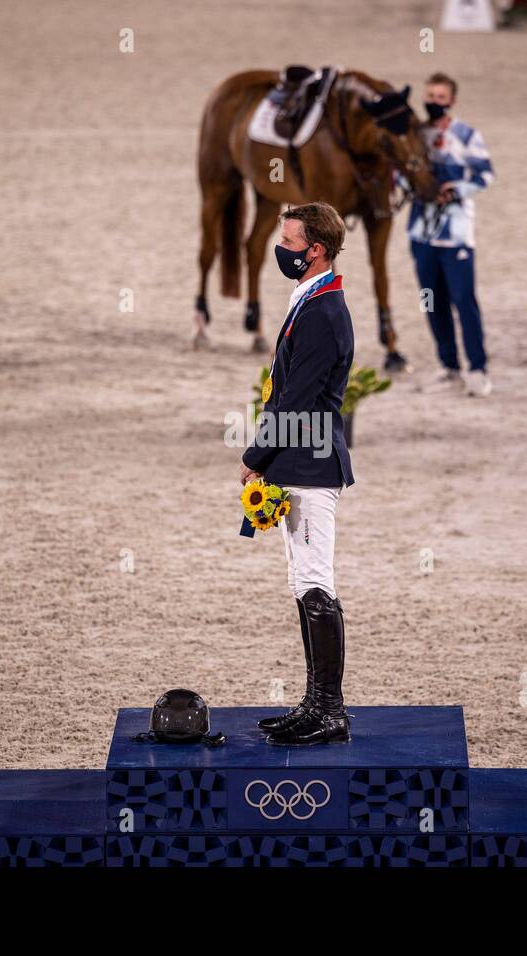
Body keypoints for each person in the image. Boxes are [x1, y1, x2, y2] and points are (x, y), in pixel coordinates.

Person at [241, 201, 355, 746]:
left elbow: (296, 401)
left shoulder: (324, 313)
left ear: (316, 250)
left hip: (310, 463)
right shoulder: (308, 298)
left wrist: (254, 457)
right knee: (301, 583)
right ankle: (313, 703)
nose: (280, 251)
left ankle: (330, 711)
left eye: (288, 243)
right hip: (297, 461)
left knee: (316, 584)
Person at [408, 72, 495, 398]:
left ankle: (478, 369)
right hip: (421, 234)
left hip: (456, 235)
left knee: (463, 300)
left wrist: (456, 189)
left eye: (440, 97)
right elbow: (400, 174)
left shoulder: (467, 135)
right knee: (432, 303)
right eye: (429, 95)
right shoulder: (416, 136)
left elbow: (486, 175)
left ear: (452, 101)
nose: (433, 102)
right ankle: (449, 367)